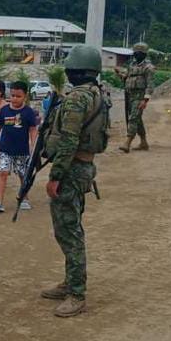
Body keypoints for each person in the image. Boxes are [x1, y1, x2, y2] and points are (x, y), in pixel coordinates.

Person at [41, 44, 106, 318]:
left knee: (69, 231)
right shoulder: (96, 94)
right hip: (82, 166)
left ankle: (76, 293)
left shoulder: (78, 98)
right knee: (69, 227)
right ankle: (70, 281)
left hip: (72, 169)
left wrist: (55, 175)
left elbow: (68, 139)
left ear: (77, 70)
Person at [0, 80, 38, 213]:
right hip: (4, 149)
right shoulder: (4, 110)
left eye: (18, 96)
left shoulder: (28, 112)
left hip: (22, 151)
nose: (14, 99)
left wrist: (34, 147)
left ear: (25, 96)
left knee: (23, 175)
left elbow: (33, 130)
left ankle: (24, 198)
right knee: (3, 172)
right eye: (13, 95)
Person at [116, 42, 154, 152]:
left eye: (140, 53)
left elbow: (150, 85)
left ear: (144, 54)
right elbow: (127, 78)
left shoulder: (148, 68)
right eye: (135, 53)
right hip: (130, 95)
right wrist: (119, 74)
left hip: (140, 97)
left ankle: (127, 142)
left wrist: (145, 100)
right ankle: (143, 142)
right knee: (137, 119)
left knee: (133, 118)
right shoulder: (131, 65)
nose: (137, 55)